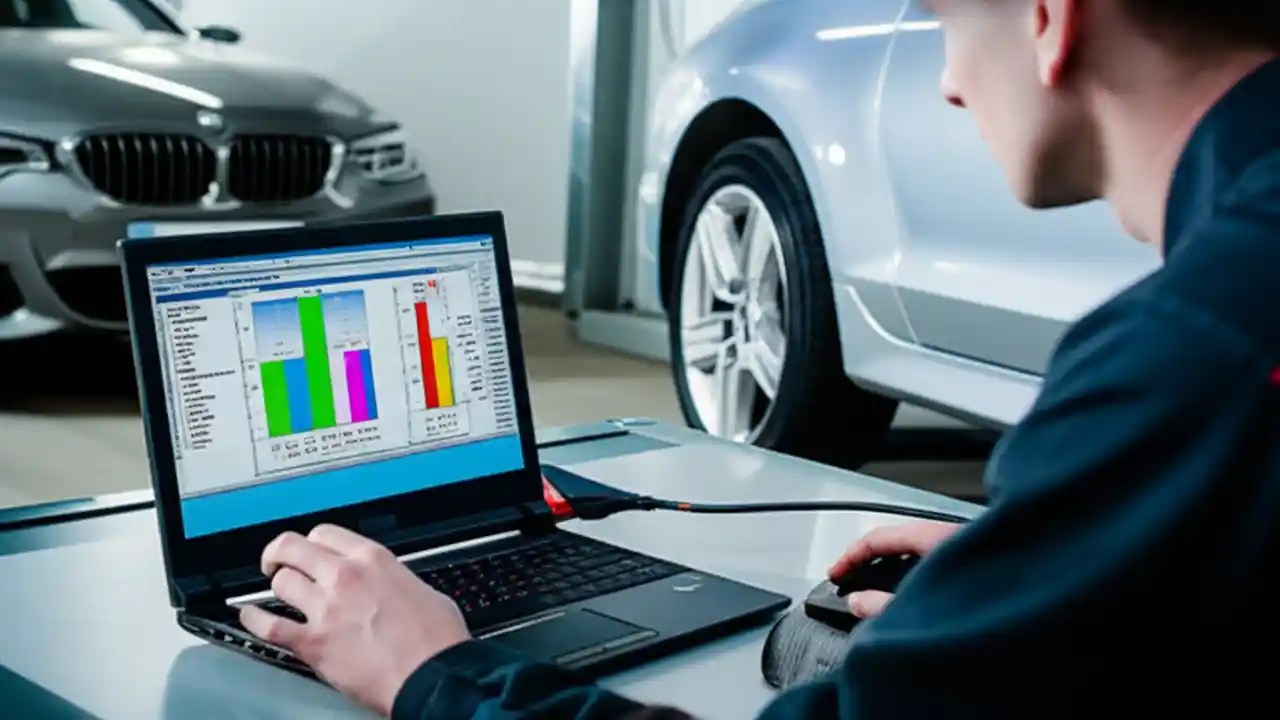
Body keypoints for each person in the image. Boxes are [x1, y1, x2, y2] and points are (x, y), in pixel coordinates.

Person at [239, 1, 1280, 717]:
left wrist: (431, 673)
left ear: (1051, 19)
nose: (953, 86)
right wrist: (1043, 568)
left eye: (942, 24)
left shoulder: (1183, 356)